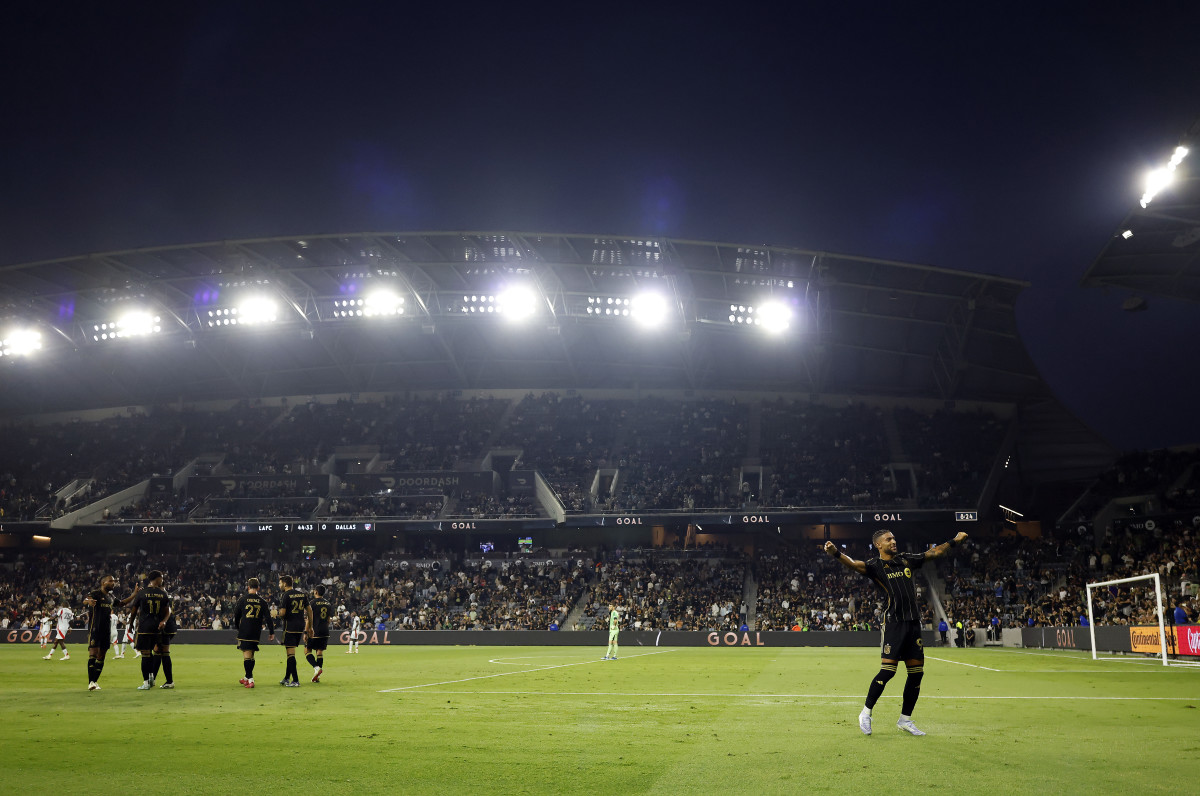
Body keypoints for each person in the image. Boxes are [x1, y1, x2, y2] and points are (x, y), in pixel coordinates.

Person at [824, 529, 968, 737]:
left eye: (894, 538)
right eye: (888, 539)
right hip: (893, 623)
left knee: (916, 674)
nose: (893, 541)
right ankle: (866, 713)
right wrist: (836, 553)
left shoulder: (907, 559)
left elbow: (935, 552)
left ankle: (905, 720)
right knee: (888, 671)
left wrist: (955, 540)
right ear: (878, 545)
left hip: (913, 624)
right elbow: (854, 564)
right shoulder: (875, 566)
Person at [82, 574, 137, 691]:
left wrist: (134, 594)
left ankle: (94, 681)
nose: (113, 583)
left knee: (101, 656)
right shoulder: (96, 593)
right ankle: (91, 682)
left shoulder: (111, 597)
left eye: (114, 581)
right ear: (103, 583)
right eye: (111, 581)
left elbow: (122, 603)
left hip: (106, 630)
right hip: (95, 629)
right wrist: (89, 602)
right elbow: (86, 600)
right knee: (93, 654)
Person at [128, 571, 171, 690]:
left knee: (145, 654)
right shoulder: (163, 593)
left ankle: (146, 683)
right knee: (154, 652)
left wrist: (131, 624)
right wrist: (164, 621)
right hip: (157, 627)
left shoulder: (142, 593)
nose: (162, 580)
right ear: (156, 579)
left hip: (145, 627)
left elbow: (134, 610)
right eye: (161, 578)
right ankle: (152, 676)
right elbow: (167, 611)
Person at [232, 577, 275, 689]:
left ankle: (250, 679)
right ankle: (246, 677)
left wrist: (238, 627)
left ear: (248, 587)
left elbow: (236, 615)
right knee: (251, 655)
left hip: (245, 630)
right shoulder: (262, 601)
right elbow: (268, 618)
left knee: (246, 655)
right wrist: (271, 631)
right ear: (258, 588)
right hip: (256, 632)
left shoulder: (242, 599)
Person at [277, 575, 312, 687]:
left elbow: (282, 613)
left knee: (290, 654)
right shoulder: (302, 594)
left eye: (280, 583)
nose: (279, 585)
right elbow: (310, 611)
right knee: (290, 654)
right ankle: (287, 678)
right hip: (300, 626)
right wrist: (310, 627)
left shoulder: (286, 595)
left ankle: (295, 680)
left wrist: (278, 615)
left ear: (285, 584)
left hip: (290, 626)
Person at [305, 585, 332, 683]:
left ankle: (316, 668)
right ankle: (317, 677)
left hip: (314, 631)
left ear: (316, 592)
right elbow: (328, 620)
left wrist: (305, 632)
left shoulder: (312, 603)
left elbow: (308, 619)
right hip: (325, 631)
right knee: (319, 652)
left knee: (307, 650)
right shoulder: (328, 604)